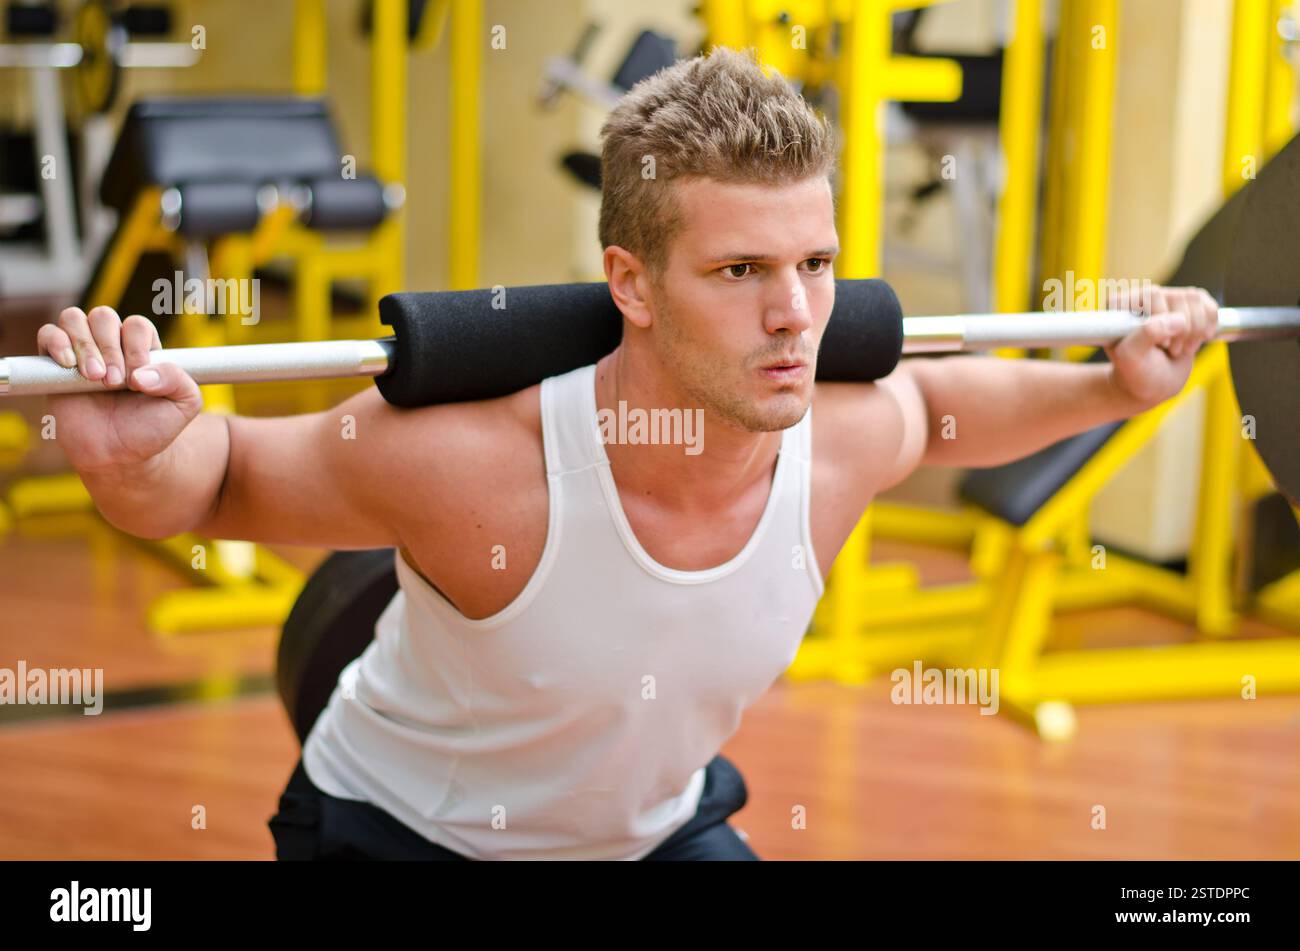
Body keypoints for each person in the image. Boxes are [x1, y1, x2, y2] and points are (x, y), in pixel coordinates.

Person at [36, 47, 1218, 860]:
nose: (797, 317)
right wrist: (140, 456)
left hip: (648, 835)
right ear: (630, 284)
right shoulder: (474, 463)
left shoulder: (847, 436)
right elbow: (227, 477)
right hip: (406, 834)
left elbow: (953, 403)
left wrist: (1112, 383)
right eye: (739, 272)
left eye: (815, 265)